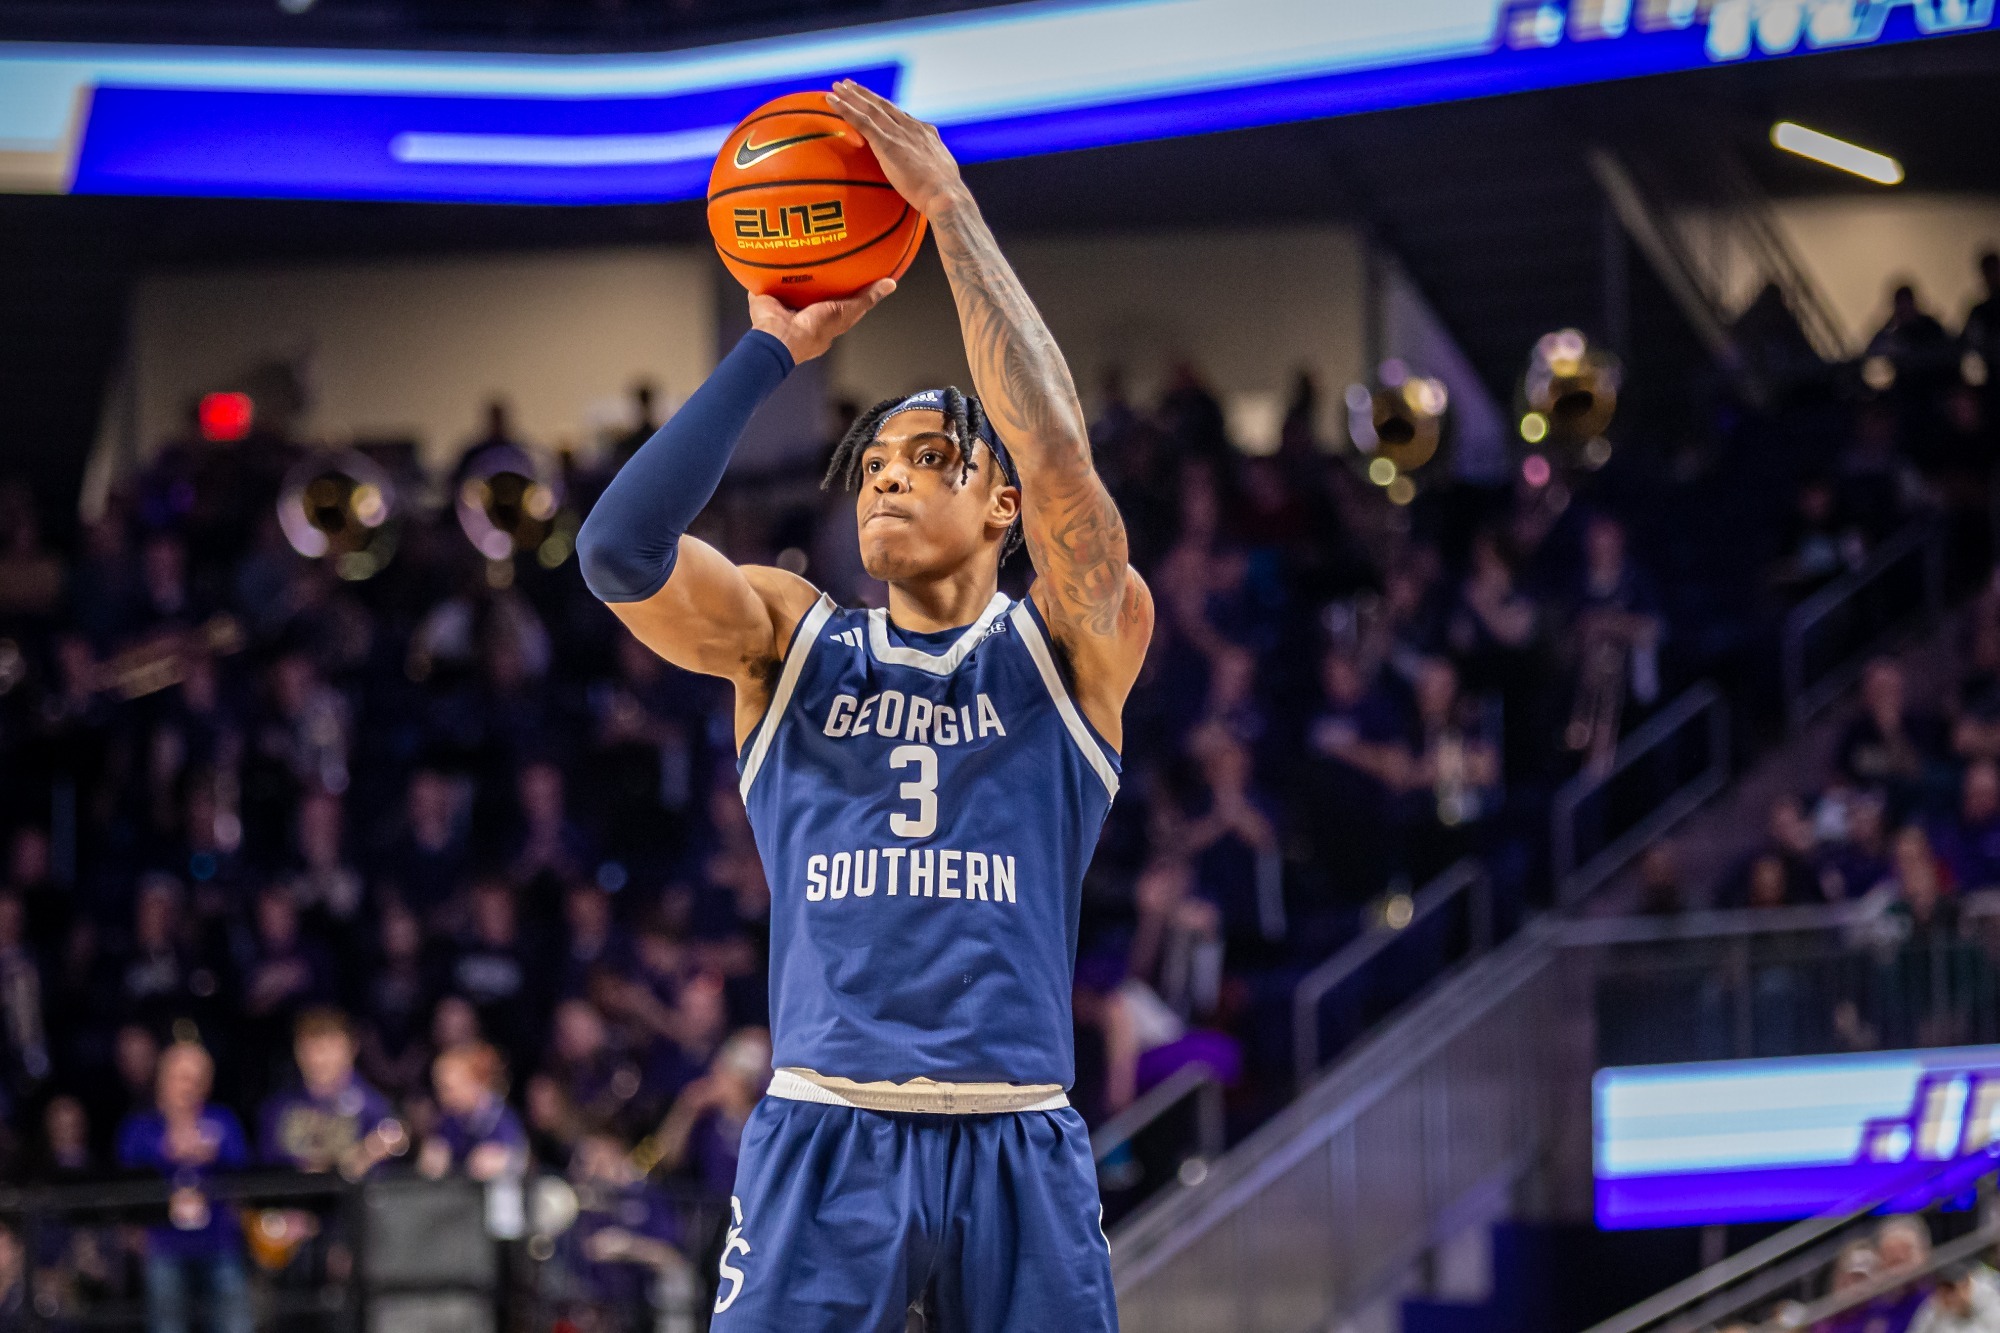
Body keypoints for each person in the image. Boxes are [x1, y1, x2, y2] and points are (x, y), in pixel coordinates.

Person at [576, 78, 1151, 1331]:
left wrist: (948, 212)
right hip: (828, 1128)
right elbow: (617, 553)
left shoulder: (1068, 644)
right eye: (872, 467)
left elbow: (1058, 459)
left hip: (1015, 1134)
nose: (886, 482)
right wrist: (771, 347)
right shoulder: (790, 638)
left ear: (1001, 508)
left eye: (929, 460)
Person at [116, 1042, 253, 1333]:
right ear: (162, 1079)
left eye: (196, 1078)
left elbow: (245, 1169)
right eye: (180, 1076)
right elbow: (125, 1174)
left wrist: (214, 1154)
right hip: (164, 1246)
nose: (188, 1086)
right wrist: (165, 1151)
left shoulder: (222, 1121)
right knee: (167, 1326)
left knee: (234, 1323)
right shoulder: (141, 1126)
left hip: (218, 1243)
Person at [1910, 1260, 2000, 1333]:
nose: (1948, 1296)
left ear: (1966, 1283)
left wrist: (1962, 1309)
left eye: (1951, 1288)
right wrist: (1939, 1316)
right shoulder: (1932, 1308)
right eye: (1942, 1289)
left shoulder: (1989, 1296)